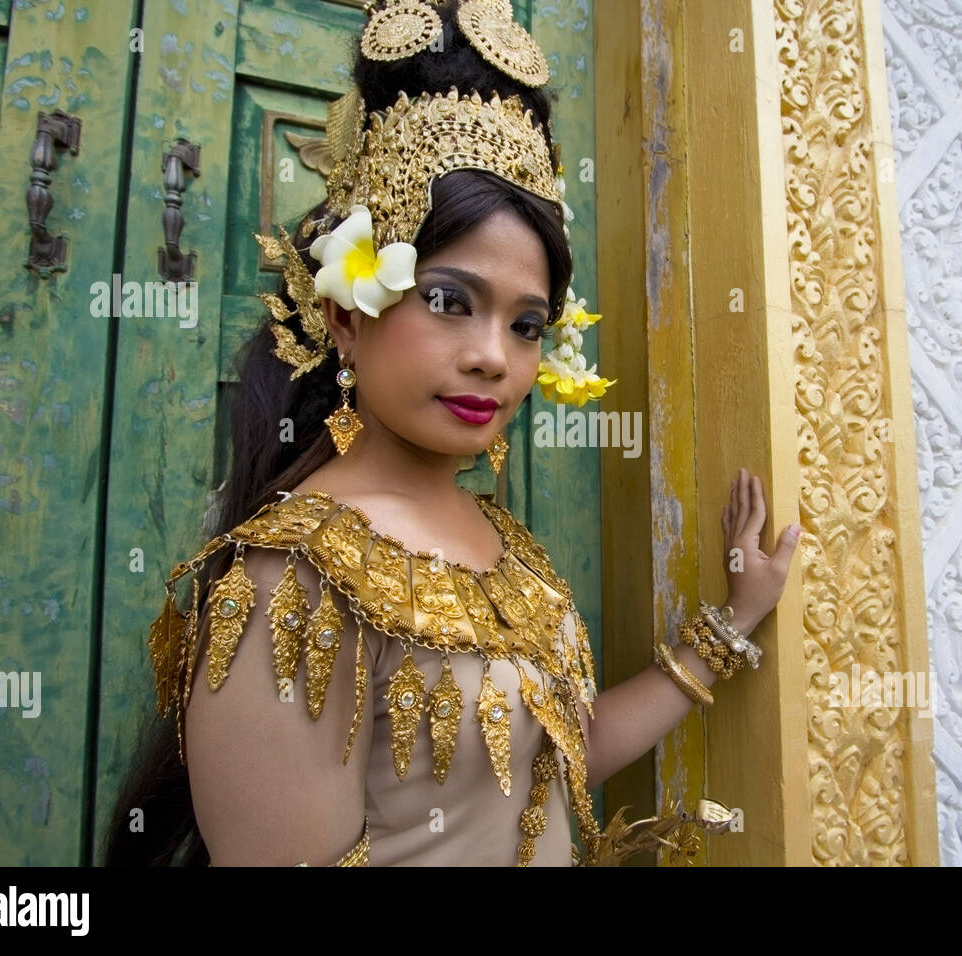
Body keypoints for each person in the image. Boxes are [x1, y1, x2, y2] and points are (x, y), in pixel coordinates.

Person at [105, 0, 800, 867]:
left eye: (527, 324)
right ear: (348, 316)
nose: (492, 359)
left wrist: (732, 624)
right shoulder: (286, 584)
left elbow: (558, 753)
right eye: (449, 300)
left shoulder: (501, 543)